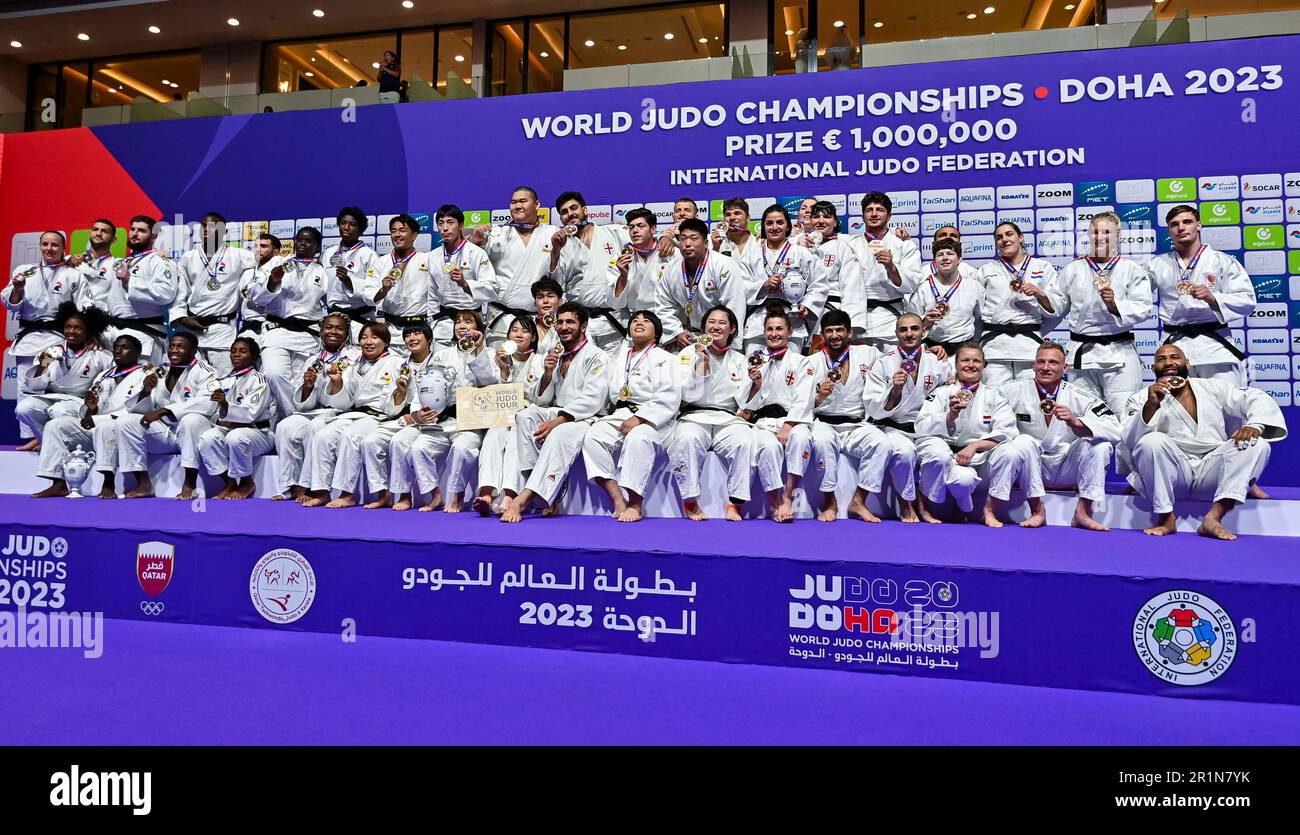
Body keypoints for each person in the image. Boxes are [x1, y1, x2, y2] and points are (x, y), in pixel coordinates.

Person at [1124, 343, 1287, 541]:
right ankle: (1165, 516)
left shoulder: (1212, 387)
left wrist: (1256, 425)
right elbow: (1130, 441)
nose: (1168, 362)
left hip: (1212, 470)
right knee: (1151, 442)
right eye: (1161, 359)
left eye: (1175, 357)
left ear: (1187, 363)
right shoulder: (1141, 398)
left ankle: (1214, 518)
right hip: (1173, 476)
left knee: (1257, 444)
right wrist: (1151, 405)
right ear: (1153, 368)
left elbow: (1254, 397)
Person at [501, 303, 609, 523]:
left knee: (558, 435)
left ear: (584, 326)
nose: (564, 326)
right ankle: (535, 486)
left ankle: (523, 499)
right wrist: (548, 374)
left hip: (586, 418)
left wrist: (558, 421)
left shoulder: (597, 356)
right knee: (525, 416)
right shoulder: (557, 355)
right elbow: (542, 399)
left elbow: (593, 399)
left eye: (570, 322)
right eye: (560, 322)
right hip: (560, 411)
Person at [1002, 342, 1120, 531]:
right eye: (1041, 362)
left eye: (1053, 363)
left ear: (1064, 367)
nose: (1046, 368)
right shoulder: (1011, 390)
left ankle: (1083, 512)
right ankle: (1037, 509)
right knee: (1023, 441)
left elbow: (1115, 428)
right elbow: (983, 402)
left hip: (1067, 468)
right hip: (1031, 469)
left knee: (1101, 446)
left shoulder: (1080, 396)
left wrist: (1077, 422)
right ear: (1033, 365)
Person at [384, 314, 496, 512]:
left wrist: (478, 349)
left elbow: (488, 382)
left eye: (468, 322)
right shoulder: (442, 355)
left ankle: (457, 495)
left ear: (480, 328)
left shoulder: (490, 352)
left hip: (471, 421)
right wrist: (418, 413)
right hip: (443, 421)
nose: (462, 326)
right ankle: (435, 495)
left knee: (462, 447)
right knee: (419, 448)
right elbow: (424, 386)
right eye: (458, 322)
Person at [582, 310, 680, 522]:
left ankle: (636, 503)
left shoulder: (666, 358)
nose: (639, 323)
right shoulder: (621, 356)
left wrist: (640, 418)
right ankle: (617, 497)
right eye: (635, 320)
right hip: (621, 412)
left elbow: (669, 396)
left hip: (654, 418)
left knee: (638, 437)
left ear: (657, 333)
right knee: (593, 437)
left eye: (646, 321)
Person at [1053, 211, 1152, 417]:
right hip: (1082, 353)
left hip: (1119, 354)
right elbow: (1056, 306)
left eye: (1106, 232)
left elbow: (1143, 307)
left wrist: (1114, 304)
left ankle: (1126, 450)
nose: (1100, 236)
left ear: (1117, 235)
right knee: (1084, 415)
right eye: (1095, 232)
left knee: (1125, 414)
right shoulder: (1072, 269)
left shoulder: (1131, 269)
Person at [786, 309, 882, 521]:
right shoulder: (810, 362)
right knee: (820, 441)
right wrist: (819, 396)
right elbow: (801, 403)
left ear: (850, 333)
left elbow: (895, 363)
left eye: (840, 330)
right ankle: (829, 501)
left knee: (881, 443)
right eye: (829, 331)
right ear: (822, 334)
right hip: (824, 422)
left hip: (858, 423)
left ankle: (859, 501)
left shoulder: (869, 354)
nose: (835, 335)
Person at [914, 344, 1024, 526]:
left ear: (984, 365)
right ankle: (931, 504)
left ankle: (989, 510)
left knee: (1011, 452)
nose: (971, 365)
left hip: (979, 456)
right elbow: (921, 426)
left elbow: (1007, 432)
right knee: (962, 480)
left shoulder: (995, 395)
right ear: (956, 365)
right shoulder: (941, 392)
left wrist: (975, 446)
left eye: (976, 361)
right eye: (965, 360)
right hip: (949, 456)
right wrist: (949, 417)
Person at [31, 335, 151, 499]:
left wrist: (96, 419)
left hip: (126, 429)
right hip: (98, 425)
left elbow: (141, 409)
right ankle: (58, 483)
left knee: (104, 427)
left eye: (124, 347)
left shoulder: (146, 374)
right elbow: (90, 413)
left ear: (138, 352)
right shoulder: (103, 375)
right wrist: (91, 408)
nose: (118, 351)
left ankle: (108, 483)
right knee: (55, 425)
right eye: (116, 347)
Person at [858, 313, 953, 522]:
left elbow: (950, 387)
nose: (909, 334)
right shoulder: (883, 363)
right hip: (893, 426)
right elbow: (873, 409)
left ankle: (924, 500)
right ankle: (907, 503)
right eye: (903, 330)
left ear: (923, 331)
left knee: (942, 456)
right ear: (896, 334)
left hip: (924, 428)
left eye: (914, 329)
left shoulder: (937, 361)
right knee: (904, 452)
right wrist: (895, 390)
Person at [302, 322, 407, 508]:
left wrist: (399, 393)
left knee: (350, 436)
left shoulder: (396, 363)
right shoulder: (354, 364)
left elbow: (396, 403)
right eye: (364, 337)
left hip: (379, 416)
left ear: (387, 342)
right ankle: (322, 491)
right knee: (323, 436)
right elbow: (344, 402)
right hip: (354, 414)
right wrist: (337, 383)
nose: (368, 342)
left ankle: (347, 494)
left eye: (375, 337)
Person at [666, 305, 755, 522]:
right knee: (686, 438)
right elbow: (686, 395)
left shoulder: (740, 359)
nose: (716, 327)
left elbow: (743, 400)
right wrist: (700, 366)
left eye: (722, 323)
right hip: (694, 415)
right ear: (704, 327)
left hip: (728, 417)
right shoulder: (688, 354)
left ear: (732, 329)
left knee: (745, 440)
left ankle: (735, 503)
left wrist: (754, 389)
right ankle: (690, 501)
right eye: (711, 322)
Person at [1150, 205, 1254, 385]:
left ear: (1198, 225)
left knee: (1226, 406)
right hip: (1175, 350)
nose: (1181, 227)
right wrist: (1090, 265)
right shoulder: (1156, 264)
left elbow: (1247, 300)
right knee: (1177, 409)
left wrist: (1213, 298)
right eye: (1175, 224)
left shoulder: (1222, 261)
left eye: (1187, 222)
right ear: (1169, 230)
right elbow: (1129, 286)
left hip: (1215, 347)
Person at [115, 331, 219, 500]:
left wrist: (165, 410)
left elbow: (209, 403)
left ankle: (190, 483)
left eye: (180, 347)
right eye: (171, 346)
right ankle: (143, 483)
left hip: (195, 433)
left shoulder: (205, 371)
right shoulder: (162, 370)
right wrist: (146, 392)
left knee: (191, 419)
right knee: (125, 422)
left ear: (193, 351)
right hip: (167, 432)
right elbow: (142, 408)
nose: (174, 350)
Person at [272, 313, 360, 502]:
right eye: (329, 327)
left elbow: (353, 395)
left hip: (342, 412)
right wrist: (308, 387)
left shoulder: (355, 357)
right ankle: (291, 484)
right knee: (286, 425)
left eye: (339, 328)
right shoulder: (313, 359)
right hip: (316, 411)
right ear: (321, 330)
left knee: (316, 427)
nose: (333, 332)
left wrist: (337, 385)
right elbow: (303, 405)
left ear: (347, 332)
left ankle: (314, 487)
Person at [5, 231, 82, 448]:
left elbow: (84, 307)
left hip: (56, 341)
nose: (49, 248)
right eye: (45, 244)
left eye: (54, 245)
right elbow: (10, 303)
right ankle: (34, 437)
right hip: (29, 340)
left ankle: (52, 436)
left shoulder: (72, 274)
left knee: (52, 391)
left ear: (63, 248)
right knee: (25, 388)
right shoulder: (24, 272)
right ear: (39, 246)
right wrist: (18, 289)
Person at [244, 226, 328, 418]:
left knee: (300, 383)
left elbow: (329, 303)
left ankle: (282, 433)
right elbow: (256, 296)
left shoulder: (321, 272)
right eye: (299, 239)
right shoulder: (278, 263)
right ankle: (296, 420)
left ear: (317, 247)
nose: (303, 244)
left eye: (308, 241)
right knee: (274, 375)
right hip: (277, 332)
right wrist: (273, 280)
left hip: (308, 336)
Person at [740, 310, 815, 522]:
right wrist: (755, 385)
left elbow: (804, 398)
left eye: (779, 329)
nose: (774, 334)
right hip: (763, 420)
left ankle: (788, 496)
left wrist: (788, 425)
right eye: (770, 329)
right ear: (763, 332)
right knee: (767, 447)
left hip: (793, 419)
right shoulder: (755, 359)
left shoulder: (801, 362)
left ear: (789, 332)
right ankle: (774, 501)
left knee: (801, 438)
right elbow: (745, 402)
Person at [472, 315, 545, 516]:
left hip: (527, 415)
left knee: (515, 441)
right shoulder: (500, 359)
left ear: (533, 338)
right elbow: (489, 388)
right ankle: (486, 493)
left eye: (525, 330)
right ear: (508, 336)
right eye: (514, 330)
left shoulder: (539, 361)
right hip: (503, 415)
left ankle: (509, 495)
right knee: (493, 437)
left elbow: (542, 397)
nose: (519, 334)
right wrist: (504, 369)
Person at [15, 302, 112, 448]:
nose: (71, 331)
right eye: (68, 327)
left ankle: (58, 445)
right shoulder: (51, 351)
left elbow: (108, 383)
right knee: (24, 408)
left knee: (59, 411)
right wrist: (44, 364)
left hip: (78, 400)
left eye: (77, 328)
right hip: (51, 396)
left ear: (88, 332)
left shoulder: (98, 355)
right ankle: (49, 443)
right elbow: (34, 386)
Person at [468, 186, 559, 343]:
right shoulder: (497, 233)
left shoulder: (551, 233)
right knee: (498, 363)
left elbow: (562, 271)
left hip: (535, 319)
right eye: (513, 202)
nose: (517, 206)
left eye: (523, 201)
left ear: (537, 205)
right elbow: (469, 263)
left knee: (533, 366)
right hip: (501, 318)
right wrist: (475, 240)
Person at [172, 211, 258, 374]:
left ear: (224, 231)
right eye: (203, 225)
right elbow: (180, 292)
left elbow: (266, 263)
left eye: (212, 226)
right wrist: (183, 319)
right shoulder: (188, 257)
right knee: (188, 379)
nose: (206, 229)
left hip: (222, 330)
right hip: (193, 330)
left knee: (222, 380)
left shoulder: (240, 256)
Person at [978, 222, 1061, 386]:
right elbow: (976, 311)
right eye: (999, 237)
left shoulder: (1042, 267)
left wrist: (1040, 293)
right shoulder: (986, 270)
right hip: (995, 348)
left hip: (1029, 346)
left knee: (1030, 400)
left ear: (1020, 238)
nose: (1004, 240)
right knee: (995, 398)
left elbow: (1057, 307)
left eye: (1009, 234)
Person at [549, 190, 630, 351]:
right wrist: (555, 251)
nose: (570, 214)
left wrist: (666, 238)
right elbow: (555, 283)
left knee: (615, 372)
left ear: (584, 210)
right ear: (561, 219)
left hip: (615, 319)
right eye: (564, 212)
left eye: (574, 208)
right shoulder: (561, 245)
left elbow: (645, 240)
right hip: (584, 323)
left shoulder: (612, 232)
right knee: (584, 370)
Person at [739, 204, 825, 354]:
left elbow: (819, 284)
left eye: (780, 222)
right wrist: (763, 285)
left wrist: (807, 304)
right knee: (754, 368)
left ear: (787, 226)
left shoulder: (802, 253)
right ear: (763, 227)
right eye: (769, 223)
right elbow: (739, 287)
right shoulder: (751, 255)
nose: (774, 227)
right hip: (758, 321)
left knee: (790, 371)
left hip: (792, 319)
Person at [197, 338, 275, 500]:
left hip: (258, 433)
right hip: (228, 429)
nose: (236, 355)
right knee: (207, 438)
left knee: (236, 437)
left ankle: (246, 482)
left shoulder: (260, 380)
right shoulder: (225, 379)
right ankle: (229, 483)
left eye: (242, 351)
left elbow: (250, 414)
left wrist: (225, 405)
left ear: (254, 357)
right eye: (233, 351)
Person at [654, 218, 746, 350]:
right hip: (686, 336)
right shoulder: (671, 268)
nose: (687, 244)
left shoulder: (724, 265)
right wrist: (677, 332)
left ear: (706, 243)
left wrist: (726, 345)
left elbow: (734, 307)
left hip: (718, 337)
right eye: (683, 238)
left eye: (693, 238)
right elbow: (663, 304)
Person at [847, 192, 922, 348]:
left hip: (890, 321)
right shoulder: (849, 245)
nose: (874, 214)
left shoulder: (904, 245)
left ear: (889, 216)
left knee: (892, 370)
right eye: (869, 210)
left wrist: (892, 267)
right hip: (858, 320)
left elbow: (911, 285)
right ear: (862, 216)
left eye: (880, 210)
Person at [430, 204, 495, 349]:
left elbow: (492, 289)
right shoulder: (433, 256)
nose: (445, 228)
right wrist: (432, 322)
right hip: (443, 324)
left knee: (471, 366)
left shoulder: (477, 253)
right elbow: (431, 294)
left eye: (450, 222)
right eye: (441, 223)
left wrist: (465, 284)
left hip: (470, 322)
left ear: (461, 226)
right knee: (441, 367)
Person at [908, 238, 983, 361]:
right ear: (934, 261)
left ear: (960, 259)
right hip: (932, 350)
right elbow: (911, 323)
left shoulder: (974, 287)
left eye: (950, 253)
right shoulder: (923, 288)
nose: (945, 258)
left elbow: (980, 319)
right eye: (939, 255)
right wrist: (926, 322)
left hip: (964, 350)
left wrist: (974, 344)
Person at [797, 201, 861, 342]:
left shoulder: (843, 246)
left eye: (826, 217)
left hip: (831, 310)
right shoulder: (799, 244)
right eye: (816, 217)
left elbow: (852, 286)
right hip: (801, 310)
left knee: (825, 357)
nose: (821, 221)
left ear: (835, 222)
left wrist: (850, 322)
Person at [371, 214, 430, 353]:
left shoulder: (428, 260)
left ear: (414, 235)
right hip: (390, 330)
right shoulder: (381, 262)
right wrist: (383, 290)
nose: (397, 235)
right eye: (393, 231)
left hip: (418, 330)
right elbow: (368, 293)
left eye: (402, 230)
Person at [322, 207, 381, 340]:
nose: (346, 227)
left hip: (359, 320)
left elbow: (374, 289)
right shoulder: (329, 253)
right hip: (333, 321)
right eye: (343, 223)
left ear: (361, 229)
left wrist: (349, 281)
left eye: (352, 224)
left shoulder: (369, 255)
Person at [612, 208, 674, 333]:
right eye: (631, 227)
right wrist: (623, 276)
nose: (635, 230)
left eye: (640, 226)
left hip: (669, 320)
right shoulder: (621, 257)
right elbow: (614, 301)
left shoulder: (669, 252)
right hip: (638, 321)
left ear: (653, 229)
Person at [68, 218, 119, 312]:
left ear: (114, 240)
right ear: (90, 234)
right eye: (95, 229)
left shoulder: (117, 266)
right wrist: (67, 264)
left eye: (104, 231)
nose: (98, 233)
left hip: (101, 321)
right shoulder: (70, 261)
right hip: (72, 320)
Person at [712, 197, 758, 263]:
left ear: (748, 217)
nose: (732, 218)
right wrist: (715, 249)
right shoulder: (715, 243)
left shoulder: (759, 243)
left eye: (737, 213)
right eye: (728, 214)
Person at [528, 277, 565, 355]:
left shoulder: (570, 326)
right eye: (540, 297)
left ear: (560, 301)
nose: (545, 301)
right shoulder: (527, 326)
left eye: (550, 296)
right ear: (535, 303)